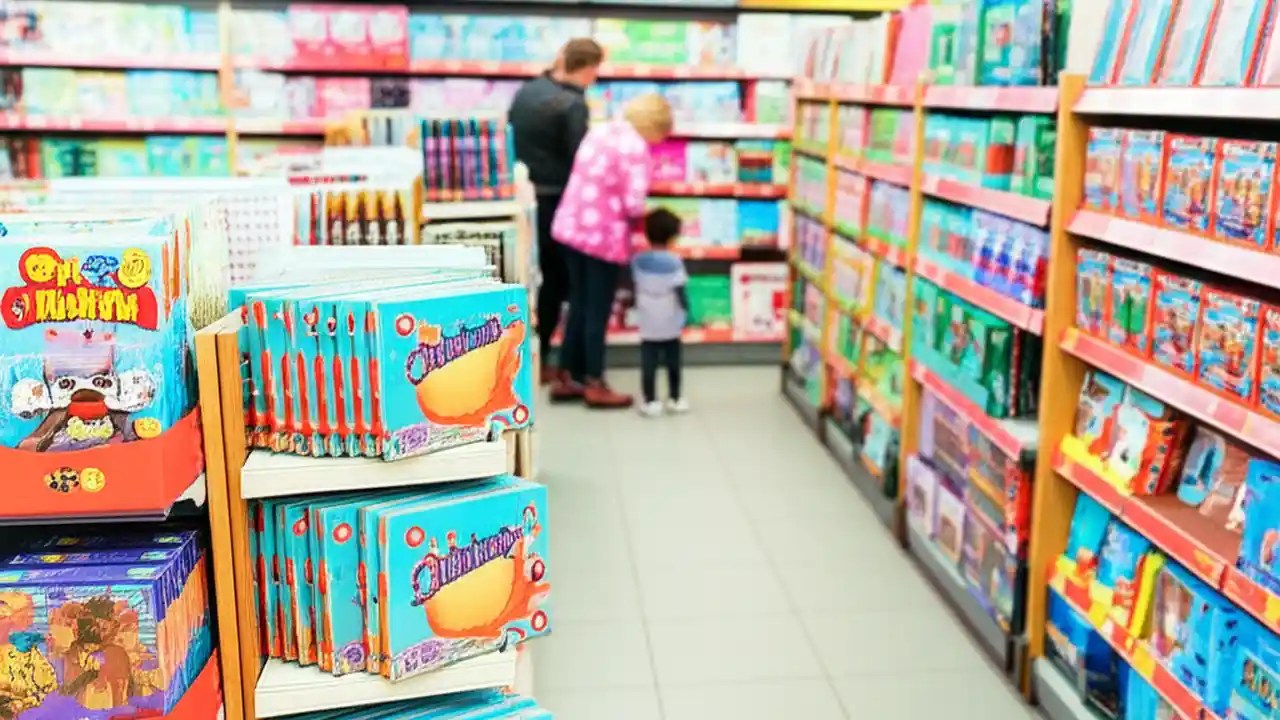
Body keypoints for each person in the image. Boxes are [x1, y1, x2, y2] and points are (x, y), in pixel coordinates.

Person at [549, 93, 674, 409]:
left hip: (571, 227)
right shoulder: (636, 149)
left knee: (578, 303)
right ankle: (595, 381)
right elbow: (633, 204)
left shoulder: (600, 131)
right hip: (602, 236)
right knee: (598, 311)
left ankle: (567, 376)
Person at [507, 38, 604, 385]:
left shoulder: (528, 90)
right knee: (558, 281)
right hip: (559, 203)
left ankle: (529, 356)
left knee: (530, 277)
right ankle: (550, 359)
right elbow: (581, 160)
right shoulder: (573, 104)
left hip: (523, 198)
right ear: (590, 68)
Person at [632, 208, 689, 417]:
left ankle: (650, 400)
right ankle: (675, 398)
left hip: (647, 318)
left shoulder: (638, 261)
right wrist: (687, 311)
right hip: (670, 319)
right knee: (673, 361)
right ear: (674, 235)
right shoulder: (674, 262)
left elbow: (634, 285)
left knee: (649, 362)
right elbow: (680, 291)